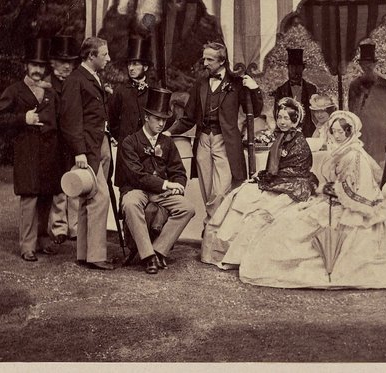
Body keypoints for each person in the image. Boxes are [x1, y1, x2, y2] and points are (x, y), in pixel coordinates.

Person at [235, 111, 386, 289]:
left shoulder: (354, 155)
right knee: (289, 226)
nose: (337, 135)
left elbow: (358, 190)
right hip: (333, 200)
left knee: (323, 235)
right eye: (334, 132)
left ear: (350, 133)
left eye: (341, 132)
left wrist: (332, 189)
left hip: (351, 207)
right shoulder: (342, 151)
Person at [200, 97, 318, 265]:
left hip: (294, 186)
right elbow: (274, 167)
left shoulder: (299, 141)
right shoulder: (280, 137)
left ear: (294, 120)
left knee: (256, 209)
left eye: (286, 118)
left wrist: (267, 180)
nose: (282, 121)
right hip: (279, 180)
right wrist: (262, 176)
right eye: (279, 117)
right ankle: (218, 249)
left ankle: (239, 254)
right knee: (239, 194)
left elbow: (294, 170)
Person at [169, 42, 264, 228]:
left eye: (209, 59)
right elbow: (188, 118)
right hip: (203, 140)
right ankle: (213, 237)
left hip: (225, 141)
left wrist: (254, 89)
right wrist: (168, 132)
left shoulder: (236, 83)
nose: (205, 62)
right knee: (207, 190)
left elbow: (255, 111)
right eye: (204, 58)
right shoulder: (200, 84)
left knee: (220, 191)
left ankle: (211, 227)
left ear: (222, 61)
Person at [0, 38, 63, 262]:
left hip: (50, 154)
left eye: (41, 66)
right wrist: (24, 118)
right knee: (30, 197)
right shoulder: (14, 91)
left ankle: (43, 239)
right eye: (34, 65)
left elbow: (59, 119)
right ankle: (27, 245)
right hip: (27, 152)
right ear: (26, 66)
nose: (38, 70)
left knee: (46, 196)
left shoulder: (52, 93)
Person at [114, 87, 195, 274]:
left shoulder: (167, 143)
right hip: (136, 189)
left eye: (164, 120)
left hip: (160, 192)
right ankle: (148, 256)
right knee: (130, 204)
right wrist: (166, 184)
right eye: (157, 119)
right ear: (146, 117)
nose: (161, 124)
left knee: (187, 208)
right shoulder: (130, 142)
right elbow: (136, 176)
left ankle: (159, 250)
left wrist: (179, 186)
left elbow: (179, 171)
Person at [59, 36, 115, 270]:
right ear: (91, 56)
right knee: (99, 198)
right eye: (104, 55)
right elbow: (70, 120)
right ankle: (96, 255)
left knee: (87, 198)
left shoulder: (92, 78)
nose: (108, 58)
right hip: (88, 148)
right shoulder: (75, 80)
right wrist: (79, 152)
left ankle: (83, 253)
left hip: (99, 143)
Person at [47, 34, 80, 244]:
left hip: (72, 139)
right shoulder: (47, 86)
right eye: (62, 62)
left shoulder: (75, 83)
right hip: (53, 141)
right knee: (58, 185)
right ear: (52, 63)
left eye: (70, 62)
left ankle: (74, 226)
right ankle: (58, 227)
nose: (66, 66)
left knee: (75, 181)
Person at [347, 41, 386, 164]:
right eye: (364, 64)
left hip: (378, 131)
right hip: (362, 131)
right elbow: (351, 110)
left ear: (375, 64)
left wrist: (376, 117)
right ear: (360, 65)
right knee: (362, 162)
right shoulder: (354, 85)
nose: (367, 66)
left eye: (370, 63)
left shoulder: (383, 84)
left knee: (378, 164)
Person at [108, 36, 152, 144]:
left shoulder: (153, 90)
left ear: (145, 67)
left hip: (147, 146)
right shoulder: (120, 91)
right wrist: (122, 138)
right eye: (129, 64)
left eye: (135, 64)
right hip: (126, 147)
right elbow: (112, 119)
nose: (131, 68)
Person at [272, 48, 317, 138]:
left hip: (308, 133)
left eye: (298, 68)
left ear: (303, 69)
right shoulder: (281, 90)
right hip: (287, 133)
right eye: (292, 68)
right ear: (288, 69)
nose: (295, 71)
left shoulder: (311, 89)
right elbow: (277, 114)